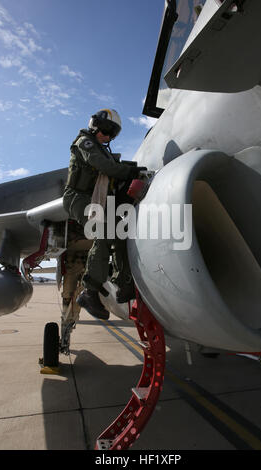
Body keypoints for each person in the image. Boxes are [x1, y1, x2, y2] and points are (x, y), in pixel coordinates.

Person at [63, 109, 146, 320]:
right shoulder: (85, 143)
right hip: (78, 197)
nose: (107, 137)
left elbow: (113, 167)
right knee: (104, 230)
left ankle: (123, 283)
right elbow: (105, 167)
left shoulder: (103, 150)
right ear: (95, 125)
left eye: (112, 134)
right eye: (106, 130)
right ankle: (89, 292)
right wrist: (129, 172)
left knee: (120, 230)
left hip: (97, 199)